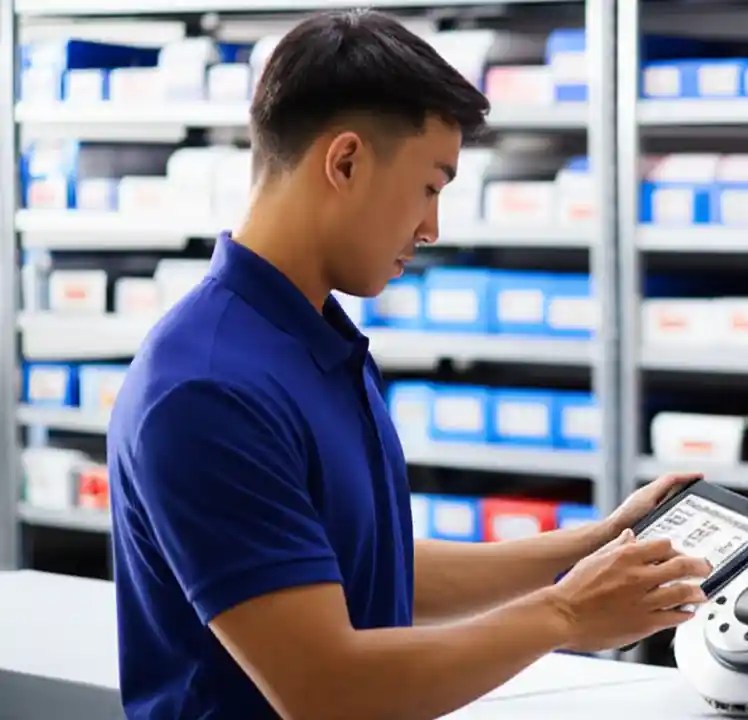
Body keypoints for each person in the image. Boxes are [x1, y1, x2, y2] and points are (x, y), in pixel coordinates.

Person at [106, 9, 711, 720]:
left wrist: (594, 544)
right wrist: (567, 615)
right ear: (346, 162)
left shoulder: (314, 341)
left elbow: (367, 570)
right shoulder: (208, 388)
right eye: (430, 186)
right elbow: (327, 690)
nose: (431, 228)